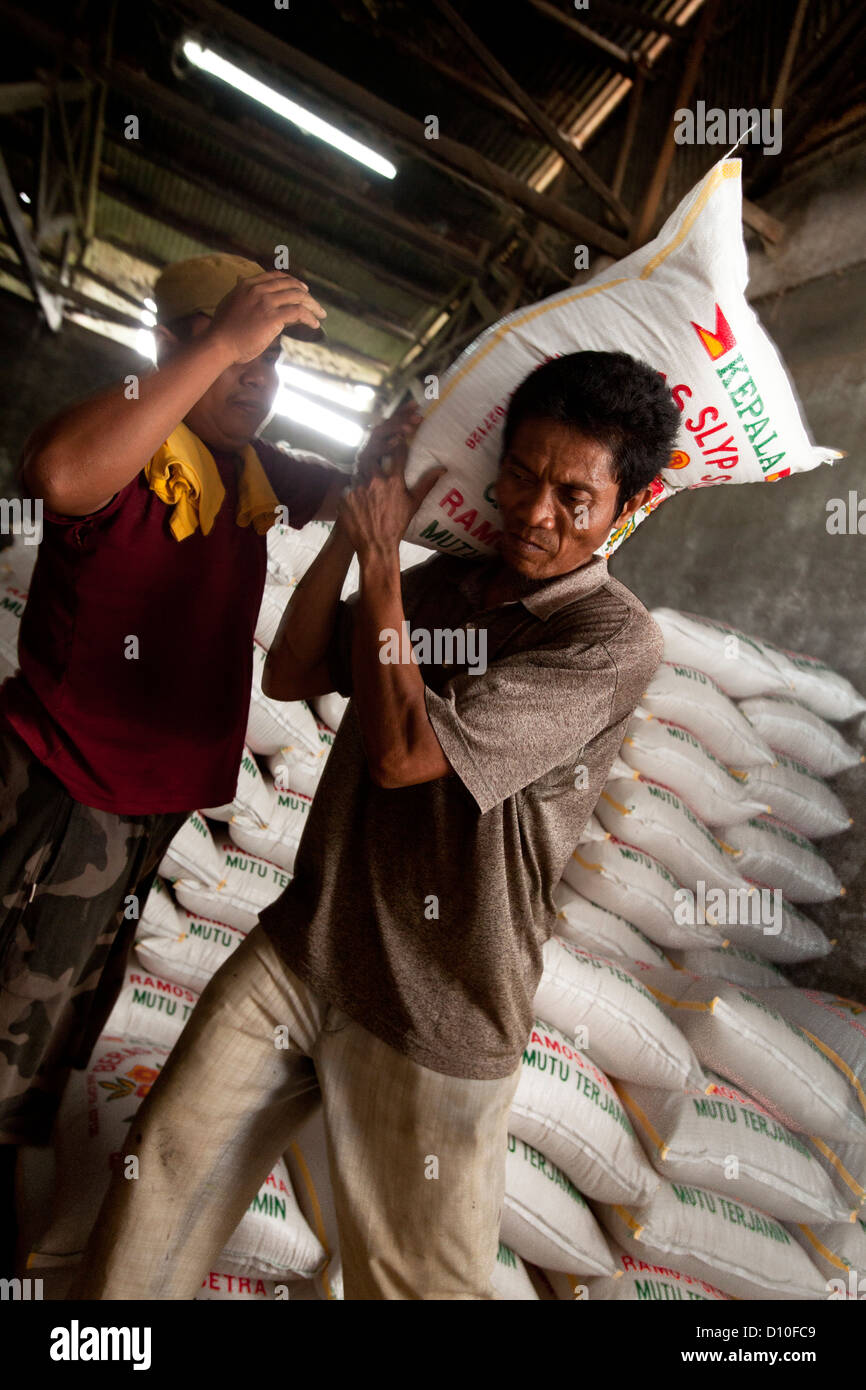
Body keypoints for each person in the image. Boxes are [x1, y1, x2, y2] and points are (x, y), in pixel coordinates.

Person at [71, 349, 679, 1301]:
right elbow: (297, 670)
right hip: (308, 947)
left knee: (410, 1287)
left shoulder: (608, 640)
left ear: (623, 510)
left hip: (436, 1009)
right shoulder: (447, 587)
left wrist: (389, 562)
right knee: (167, 1164)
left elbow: (403, 757)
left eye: (574, 496)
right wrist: (354, 536)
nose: (535, 512)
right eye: (522, 473)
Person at [0, 252, 414, 1264]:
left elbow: (342, 493)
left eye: (271, 365)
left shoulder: (246, 475)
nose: (259, 380)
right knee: (12, 1020)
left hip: (147, 806)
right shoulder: (138, 441)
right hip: (68, 788)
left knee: (57, 1034)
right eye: (241, 356)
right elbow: (55, 473)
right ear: (178, 342)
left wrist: (396, 455)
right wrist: (221, 344)